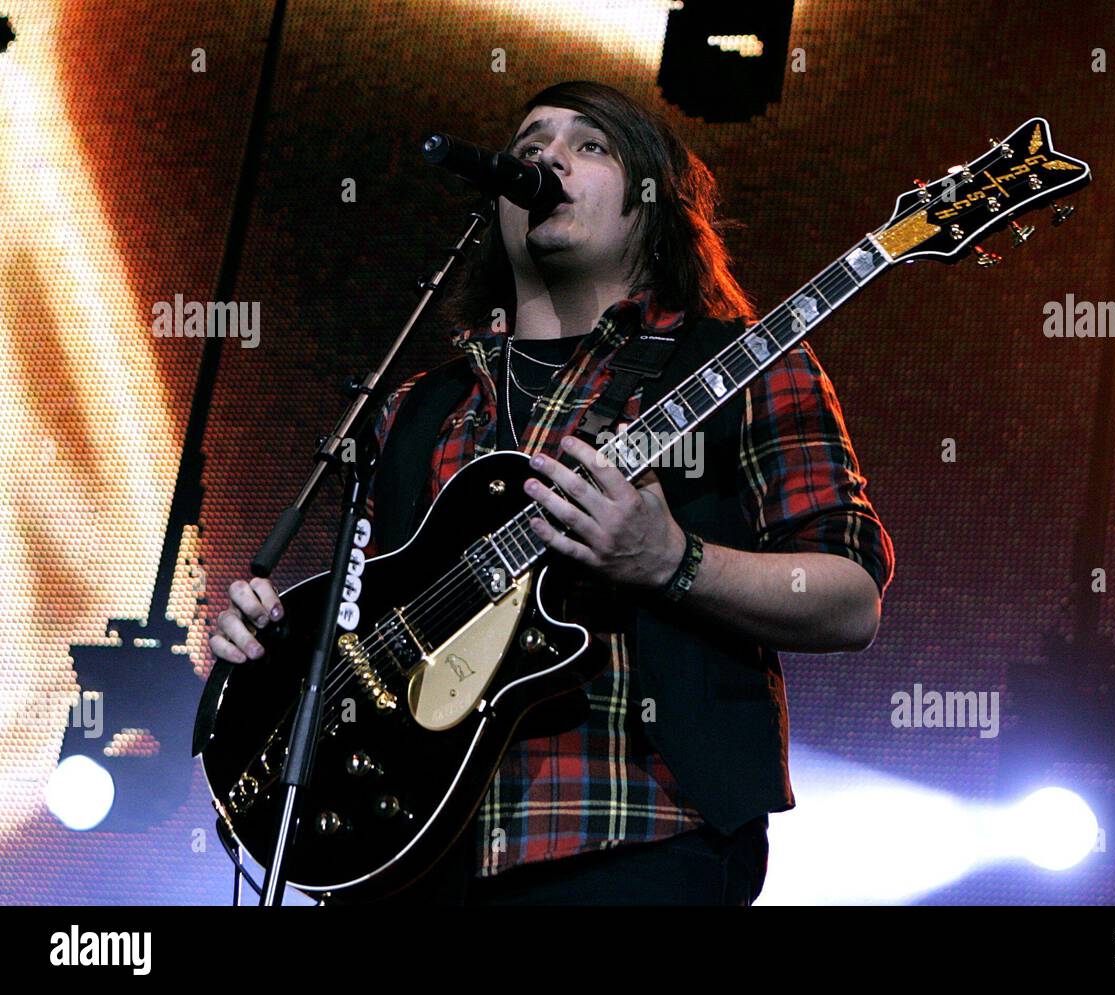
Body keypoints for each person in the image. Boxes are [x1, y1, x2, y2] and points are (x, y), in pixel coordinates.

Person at [208, 80, 894, 906]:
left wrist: (673, 560)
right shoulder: (417, 404)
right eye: (530, 145)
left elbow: (850, 599)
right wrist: (278, 643)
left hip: (635, 836)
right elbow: (369, 619)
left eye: (590, 145)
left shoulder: (743, 369)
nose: (546, 159)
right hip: (410, 857)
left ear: (652, 205)